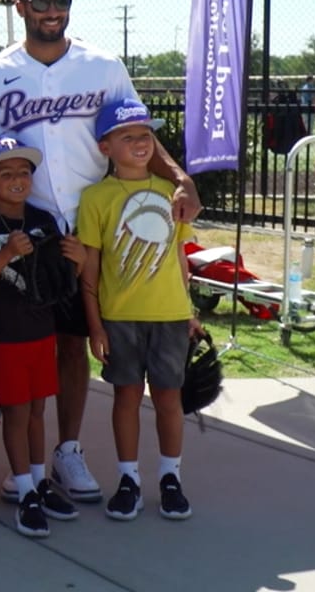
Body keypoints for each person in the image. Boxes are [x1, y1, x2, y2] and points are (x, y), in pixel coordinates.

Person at [0, 0, 200, 505]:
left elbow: (134, 127)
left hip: (94, 227)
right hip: (25, 229)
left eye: (62, 2)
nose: (52, 11)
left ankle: (67, 450)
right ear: (19, 4)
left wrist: (181, 177)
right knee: (19, 348)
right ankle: (22, 466)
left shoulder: (101, 65)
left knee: (72, 348)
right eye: (41, 2)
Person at [79, 98, 200, 522]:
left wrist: (189, 310)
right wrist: (94, 324)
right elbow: (91, 267)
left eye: (145, 135)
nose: (139, 143)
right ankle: (128, 479)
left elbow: (180, 259)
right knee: (126, 398)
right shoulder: (96, 198)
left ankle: (171, 478)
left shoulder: (172, 192)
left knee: (170, 400)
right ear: (105, 147)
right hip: (119, 317)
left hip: (168, 315)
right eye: (127, 136)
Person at [0, 135, 85, 538]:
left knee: (37, 410)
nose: (17, 179)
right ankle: (25, 488)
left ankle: (35, 482)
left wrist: (78, 261)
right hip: (4, 334)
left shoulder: (42, 220)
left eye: (23, 172)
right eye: (5, 173)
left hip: (40, 331)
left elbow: (60, 280)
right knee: (16, 413)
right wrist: (5, 255)